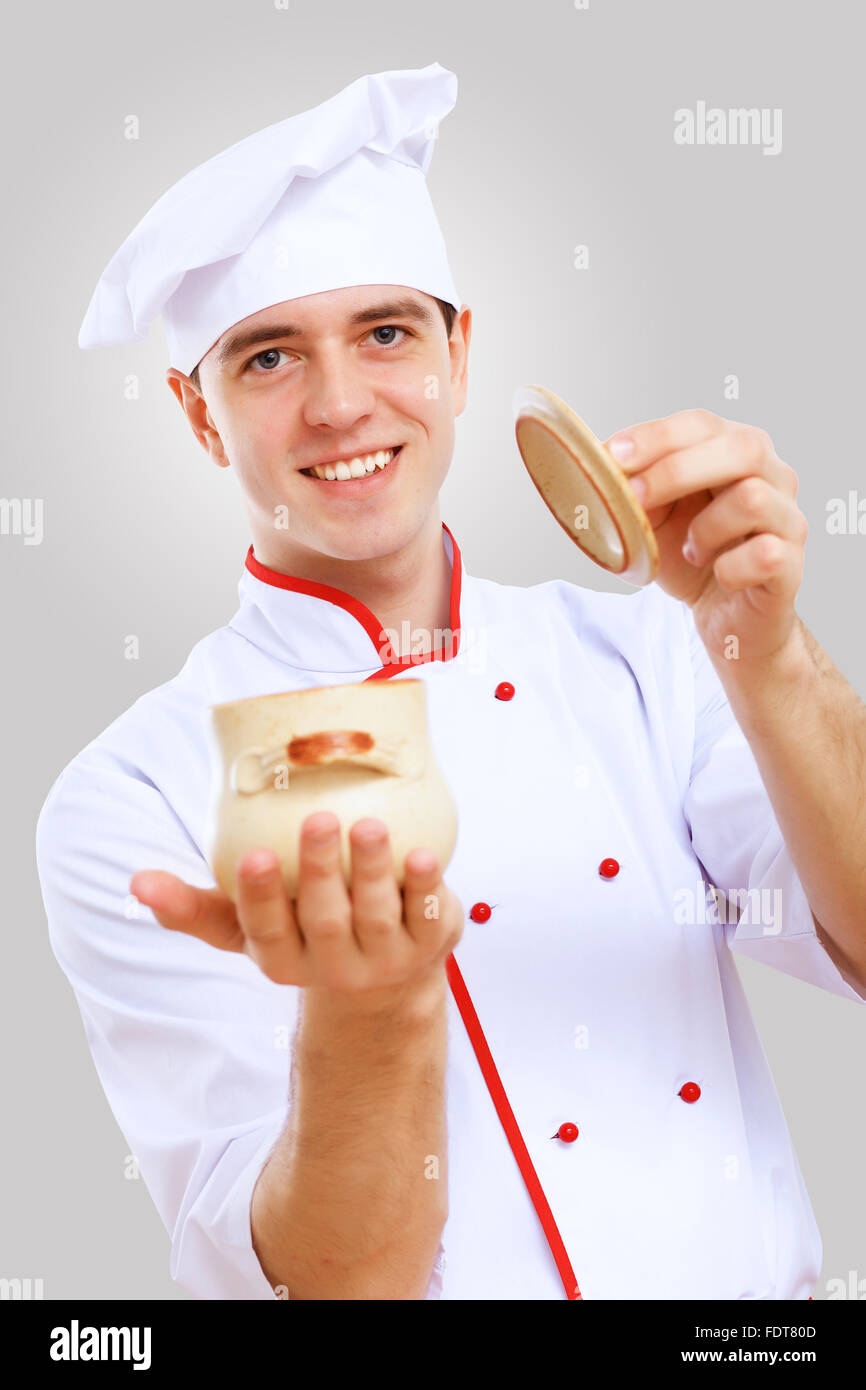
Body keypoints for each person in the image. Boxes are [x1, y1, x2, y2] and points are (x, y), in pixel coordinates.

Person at [36, 61, 866, 1302]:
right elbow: (330, 1283)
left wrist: (772, 648)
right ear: (198, 417)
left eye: (385, 332)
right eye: (266, 357)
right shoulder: (127, 802)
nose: (338, 403)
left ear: (461, 355)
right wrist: (370, 1011)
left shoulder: (649, 657)